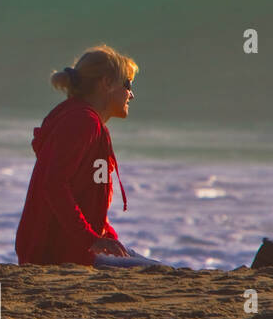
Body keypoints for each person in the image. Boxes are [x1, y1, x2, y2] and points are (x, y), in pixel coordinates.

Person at [15, 44, 164, 268]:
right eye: (127, 84)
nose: (131, 94)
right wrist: (90, 239)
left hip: (79, 244)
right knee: (158, 274)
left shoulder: (89, 124)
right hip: (60, 252)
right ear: (106, 83)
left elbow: (91, 200)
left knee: (162, 269)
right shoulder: (82, 122)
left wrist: (107, 237)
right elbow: (54, 185)